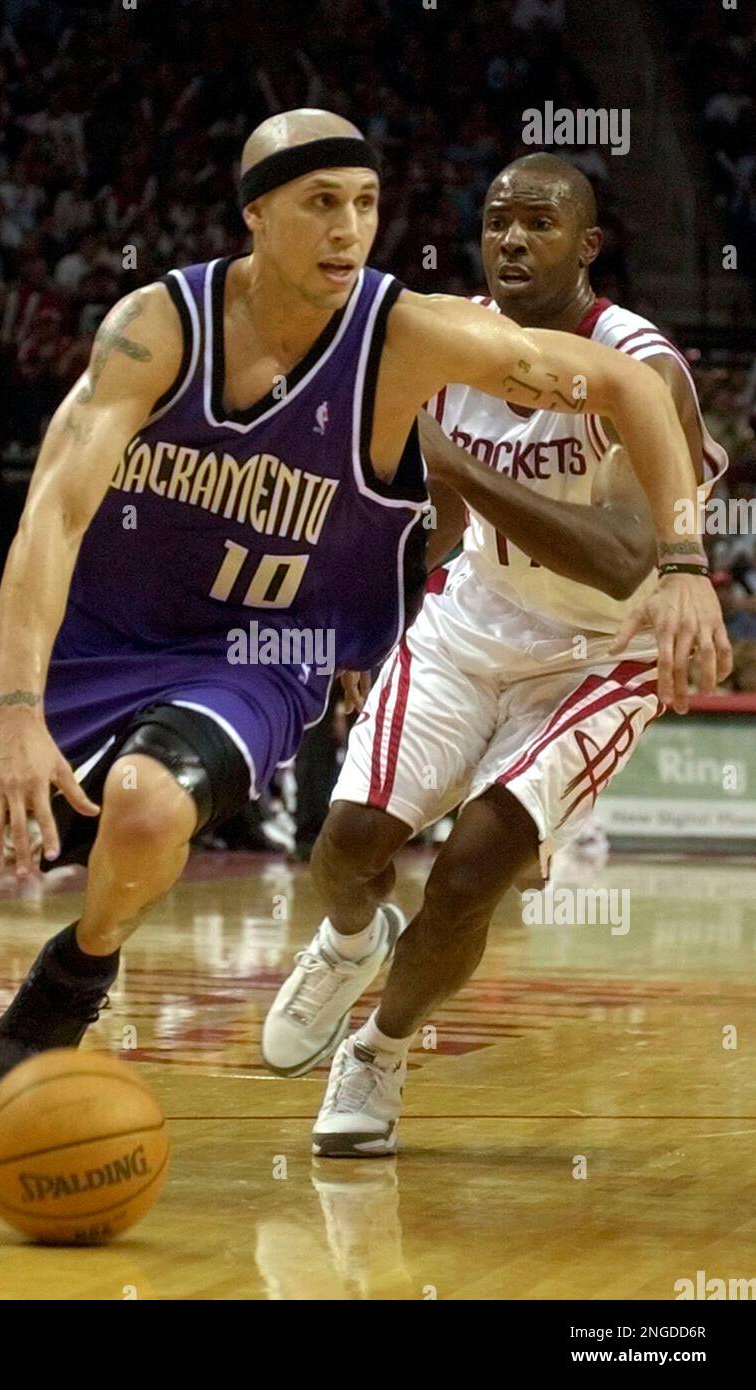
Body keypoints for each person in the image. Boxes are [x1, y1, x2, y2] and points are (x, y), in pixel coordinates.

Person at [0, 114, 728, 1173]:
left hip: (271, 643)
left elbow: (622, 391)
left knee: (169, 813)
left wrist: (681, 562)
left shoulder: (406, 334)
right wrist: (16, 712)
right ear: (254, 215)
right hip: (106, 625)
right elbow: (53, 516)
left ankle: (95, 971)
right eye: (320, 203)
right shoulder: (158, 327)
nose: (349, 229)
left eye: (366, 205)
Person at [261, 153, 729, 1156]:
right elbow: (426, 518)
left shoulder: (638, 366)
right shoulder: (449, 338)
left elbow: (615, 557)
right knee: (344, 841)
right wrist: (363, 613)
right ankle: (349, 937)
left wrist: (455, 464)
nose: (512, 240)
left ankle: (377, 1053)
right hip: (468, 617)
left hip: (601, 649)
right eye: (496, 222)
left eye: (539, 224)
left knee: (471, 869)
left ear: (587, 245)